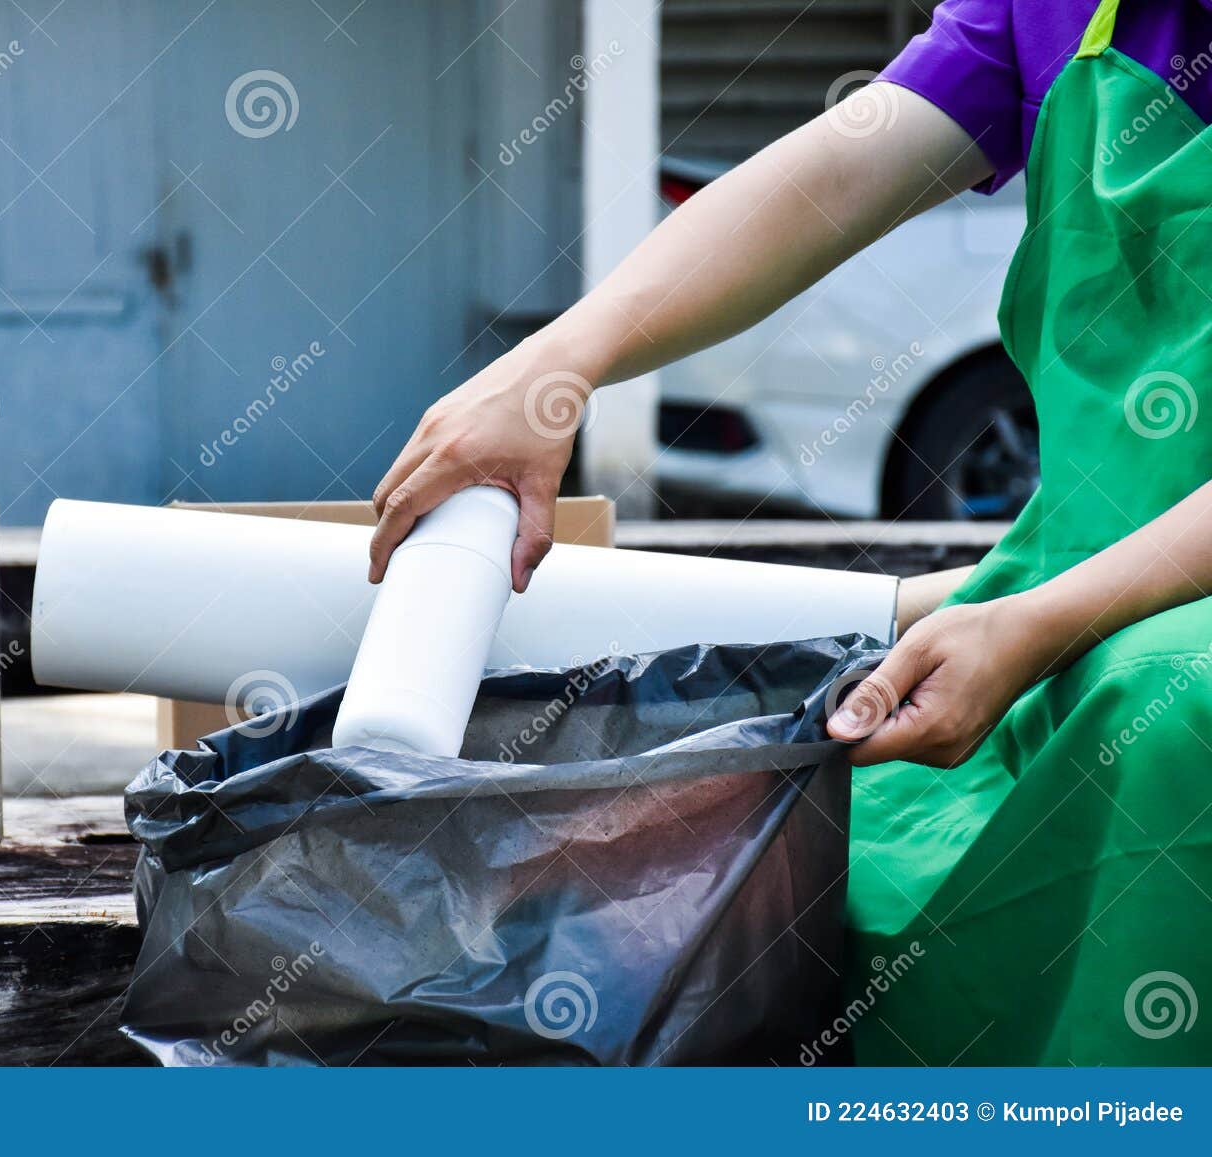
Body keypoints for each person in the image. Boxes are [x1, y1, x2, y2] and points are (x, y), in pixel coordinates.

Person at [368, 0, 1212, 1065]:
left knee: (1175, 731)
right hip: (1061, 600)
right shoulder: (1047, 12)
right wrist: (554, 365)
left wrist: (1045, 621)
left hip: (1138, 644)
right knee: (763, 861)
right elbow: (833, 173)